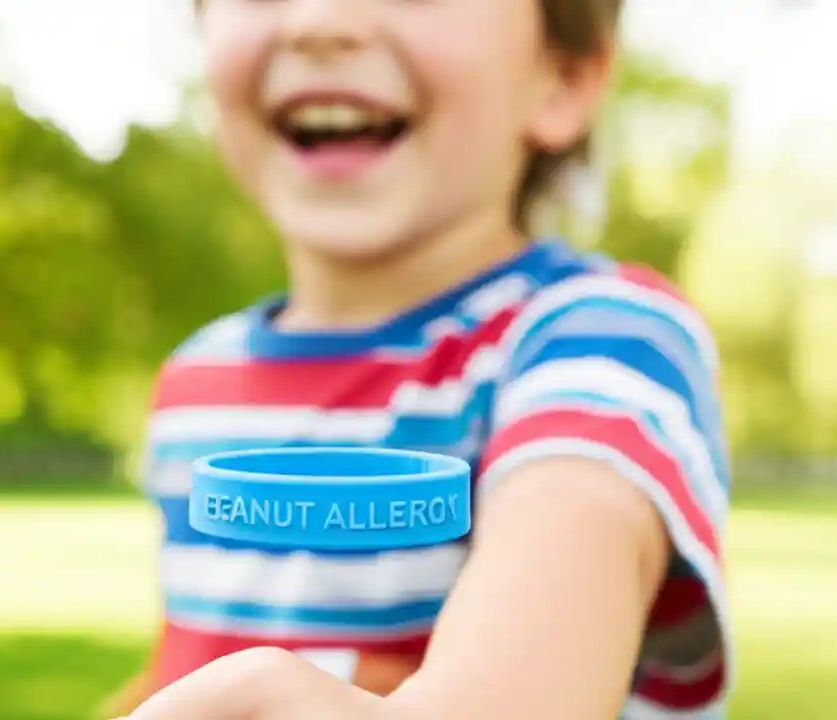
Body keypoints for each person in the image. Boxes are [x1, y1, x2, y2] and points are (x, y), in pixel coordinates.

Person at [107, 0, 731, 717]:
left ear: (560, 79)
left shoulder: (603, 346)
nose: (319, 20)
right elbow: (192, 662)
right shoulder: (197, 381)